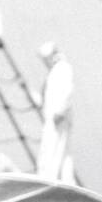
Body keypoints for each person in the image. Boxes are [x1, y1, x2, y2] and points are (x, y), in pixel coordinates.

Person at [34, 42, 74, 182]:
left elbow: (67, 91)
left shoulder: (63, 68)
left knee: (51, 149)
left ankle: (48, 180)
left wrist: (60, 111)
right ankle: (67, 181)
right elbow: (47, 98)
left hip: (58, 117)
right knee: (62, 152)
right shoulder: (54, 72)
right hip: (53, 116)